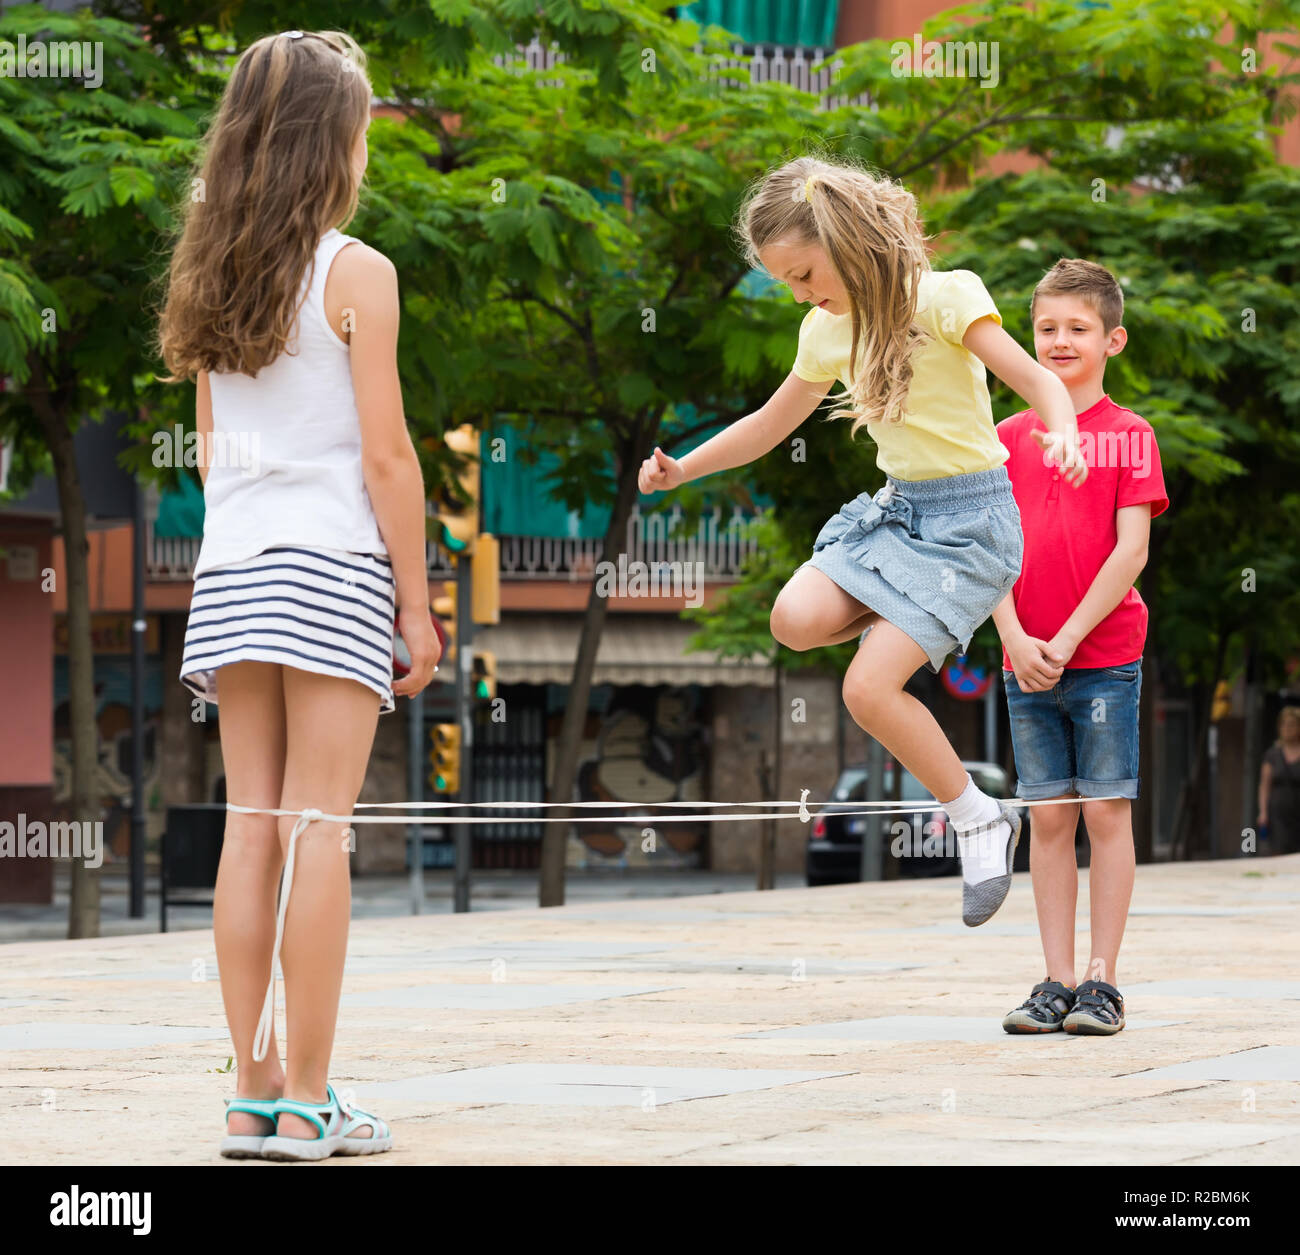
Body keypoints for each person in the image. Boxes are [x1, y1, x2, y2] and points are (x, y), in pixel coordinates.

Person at [638, 154, 1087, 925]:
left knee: (865, 690)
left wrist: (1066, 433)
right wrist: (686, 469)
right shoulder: (825, 330)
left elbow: (1038, 379)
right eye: (788, 283)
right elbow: (768, 426)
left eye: (805, 272)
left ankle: (980, 817)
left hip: (972, 525)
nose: (802, 293)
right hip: (897, 512)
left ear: (845, 239)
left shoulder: (946, 298)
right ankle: (906, 619)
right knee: (793, 619)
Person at [157, 29, 439, 1159]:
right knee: (323, 827)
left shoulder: (210, 269)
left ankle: (251, 1090)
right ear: (336, 139)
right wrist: (416, 607)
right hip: (330, 568)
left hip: (230, 572)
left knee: (252, 827)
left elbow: (211, 456)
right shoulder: (353, 270)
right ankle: (312, 1104)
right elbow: (388, 460)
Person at [993, 259, 1168, 1036]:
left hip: (1101, 655)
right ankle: (1054, 979)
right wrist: (1012, 635)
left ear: (1113, 339)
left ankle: (1104, 981)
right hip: (1021, 654)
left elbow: (1130, 551)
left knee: (1104, 811)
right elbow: (982, 547)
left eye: (1077, 328)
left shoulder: (1131, 436)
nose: (1059, 340)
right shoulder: (1002, 436)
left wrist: (1063, 638)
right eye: (1046, 328)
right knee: (1049, 818)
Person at [1258, 706, 1300, 855]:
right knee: (1278, 852)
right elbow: (1264, 785)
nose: (1287, 728)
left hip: (1297, 812)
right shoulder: (1272, 754)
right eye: (1284, 724)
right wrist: (1263, 812)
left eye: (1291, 724)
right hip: (1278, 814)